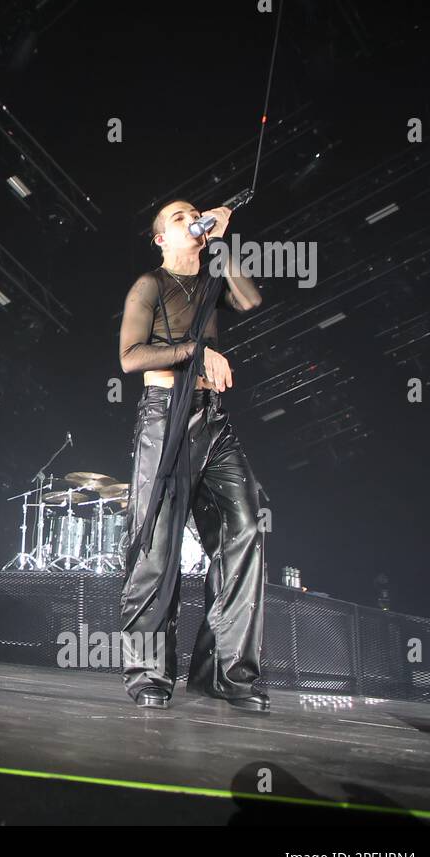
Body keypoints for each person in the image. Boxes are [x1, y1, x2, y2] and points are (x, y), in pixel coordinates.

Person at [116, 200, 268, 711]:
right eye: (179, 217)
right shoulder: (149, 286)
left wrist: (224, 240)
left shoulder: (210, 283)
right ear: (160, 238)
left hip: (214, 420)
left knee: (244, 529)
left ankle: (227, 674)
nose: (192, 219)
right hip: (165, 419)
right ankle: (149, 676)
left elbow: (249, 300)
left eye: (195, 214)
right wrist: (194, 352)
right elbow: (130, 356)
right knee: (157, 550)